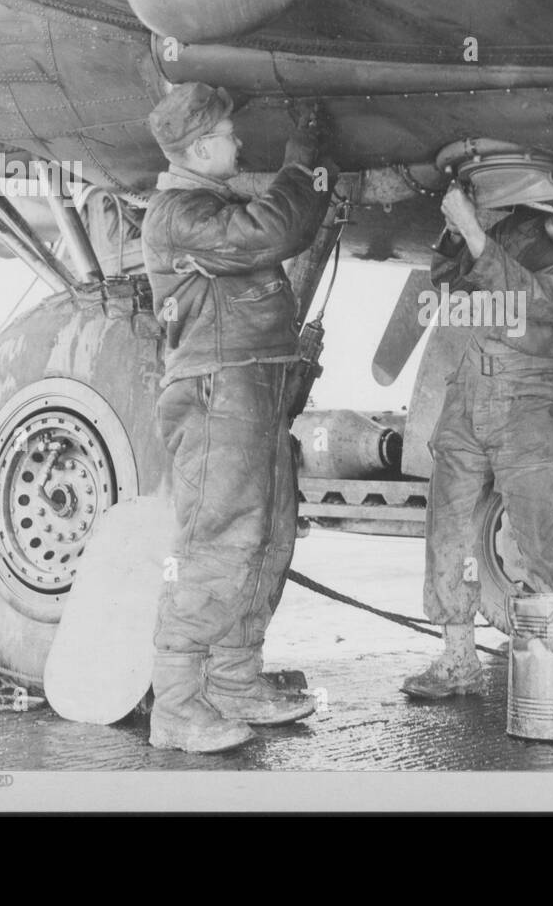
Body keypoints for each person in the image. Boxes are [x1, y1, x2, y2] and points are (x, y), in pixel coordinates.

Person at [141, 82, 331, 752]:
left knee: (268, 539)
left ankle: (233, 683)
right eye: (227, 135)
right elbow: (275, 230)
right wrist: (304, 153)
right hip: (220, 396)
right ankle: (179, 704)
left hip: (252, 393)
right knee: (219, 543)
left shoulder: (208, 205)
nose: (238, 143)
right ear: (198, 148)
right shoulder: (179, 215)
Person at [402, 182, 553, 699]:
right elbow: (451, 282)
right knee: (450, 530)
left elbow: (522, 295)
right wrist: (455, 231)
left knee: (550, 533)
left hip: (526, 405)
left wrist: (473, 229)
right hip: (469, 391)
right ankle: (457, 660)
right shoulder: (525, 229)